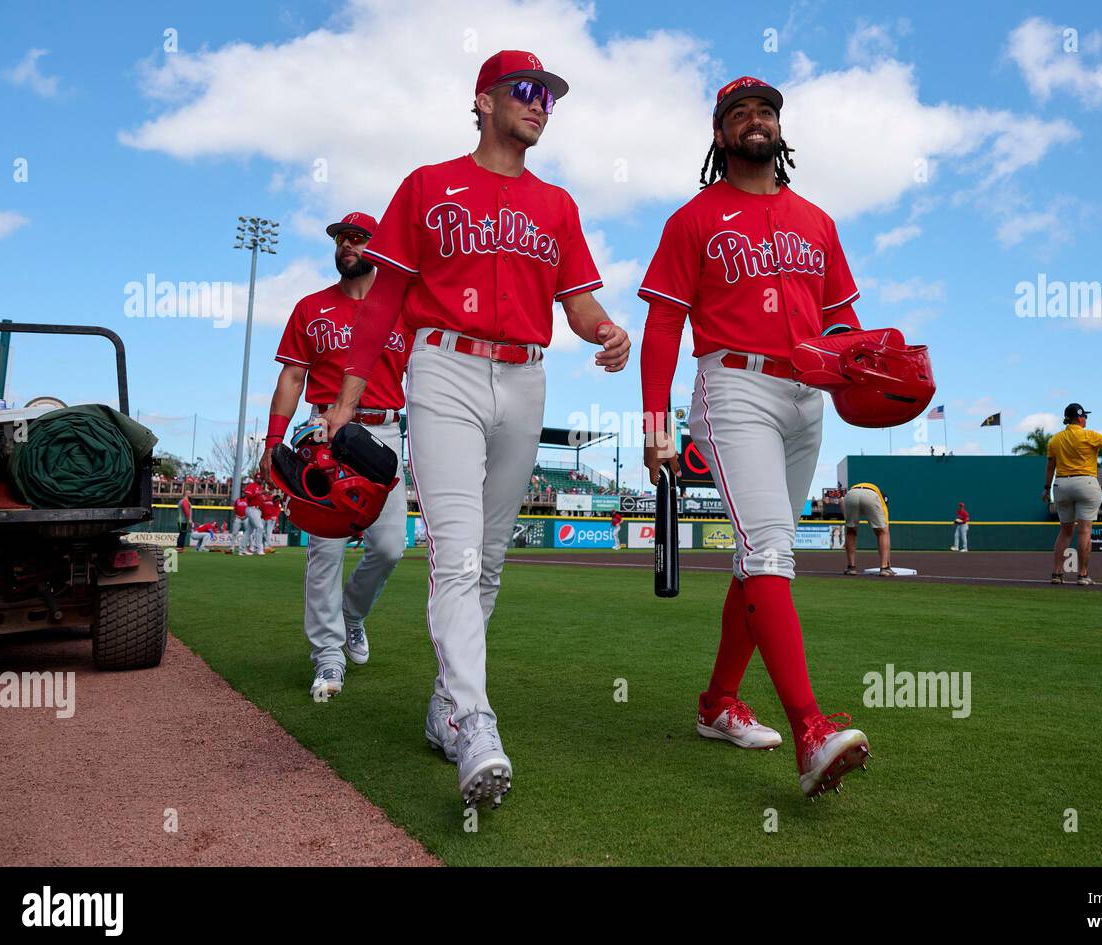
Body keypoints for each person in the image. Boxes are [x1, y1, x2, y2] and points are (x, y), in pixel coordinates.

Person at [324, 50, 630, 809]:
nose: (540, 104)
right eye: (525, 92)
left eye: (548, 96)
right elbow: (383, 302)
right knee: (457, 554)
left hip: (526, 377)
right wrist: (348, 398)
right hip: (446, 369)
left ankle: (442, 707)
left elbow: (579, 303)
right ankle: (474, 718)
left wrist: (606, 332)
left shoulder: (557, 204)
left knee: (490, 559)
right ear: (484, 101)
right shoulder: (428, 186)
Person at [640, 75, 869, 800]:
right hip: (733, 383)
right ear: (719, 135)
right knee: (769, 548)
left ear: (779, 127)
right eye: (738, 113)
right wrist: (655, 426)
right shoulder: (693, 218)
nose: (753, 120)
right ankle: (810, 729)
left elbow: (842, 327)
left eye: (764, 110)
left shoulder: (818, 220)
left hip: (809, 393)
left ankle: (717, 705)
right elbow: (662, 327)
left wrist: (866, 368)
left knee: (759, 559)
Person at [259, 211, 411, 702]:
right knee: (324, 552)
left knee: (389, 547)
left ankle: (351, 616)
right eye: (342, 239)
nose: (348, 246)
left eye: (359, 239)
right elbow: (291, 378)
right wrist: (272, 441)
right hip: (324, 430)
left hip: (383, 430)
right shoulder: (311, 308)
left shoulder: (402, 309)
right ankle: (327, 655)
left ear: (377, 247)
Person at [1045, 403, 1102, 585]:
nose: (1086, 419)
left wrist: (1046, 488)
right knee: (1084, 530)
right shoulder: (1088, 435)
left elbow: (1050, 466)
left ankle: (1057, 574)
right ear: (1080, 418)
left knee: (1065, 532)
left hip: (1062, 484)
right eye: (1085, 416)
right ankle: (1082, 575)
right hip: (1085, 483)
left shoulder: (1055, 439)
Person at [842, 483, 892, 576]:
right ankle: (885, 568)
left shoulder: (859, 487)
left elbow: (842, 503)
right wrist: (888, 562)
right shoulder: (881, 500)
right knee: (883, 532)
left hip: (851, 494)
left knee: (850, 532)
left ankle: (851, 567)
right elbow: (886, 530)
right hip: (871, 495)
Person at [242, 475, 266, 556]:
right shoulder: (252, 485)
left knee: (249, 531)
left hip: (257, 510)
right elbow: (247, 494)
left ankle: (242, 550)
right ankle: (259, 549)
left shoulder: (260, 487)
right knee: (260, 527)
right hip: (251, 508)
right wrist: (258, 493)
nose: (260, 479)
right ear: (255, 479)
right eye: (258, 478)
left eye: (261, 478)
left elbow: (260, 499)